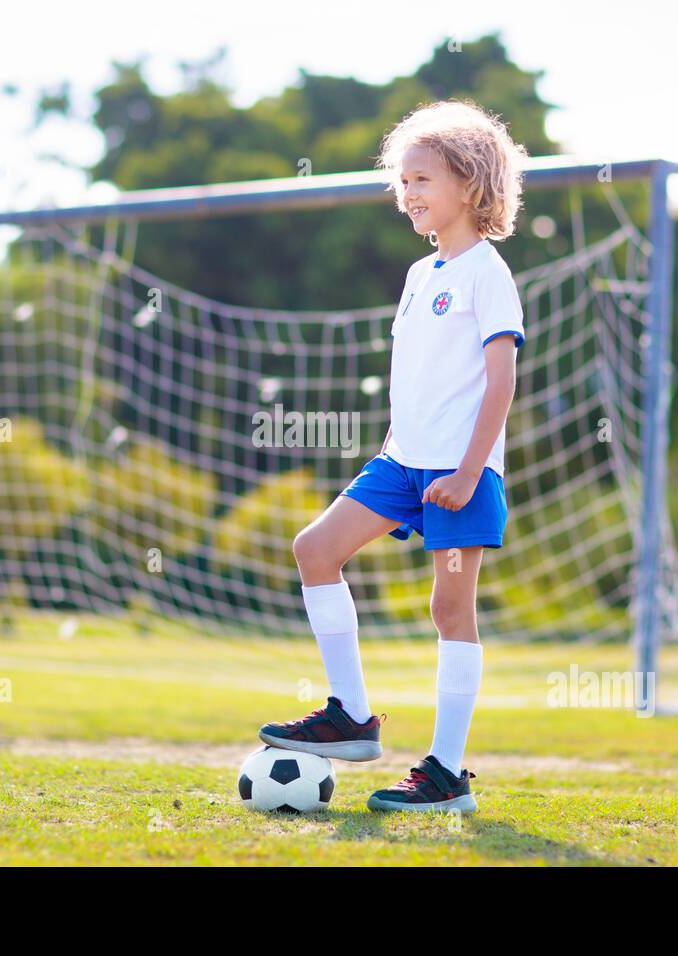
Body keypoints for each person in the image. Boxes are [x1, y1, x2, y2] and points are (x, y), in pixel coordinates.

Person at [258, 100, 528, 813]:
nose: (407, 194)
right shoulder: (419, 275)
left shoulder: (487, 274)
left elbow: (500, 381)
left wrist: (470, 471)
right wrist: (390, 451)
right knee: (315, 549)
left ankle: (446, 773)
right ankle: (350, 717)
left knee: (449, 607)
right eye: (401, 181)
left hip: (459, 470)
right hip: (400, 464)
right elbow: (418, 380)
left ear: (469, 186)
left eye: (421, 180)